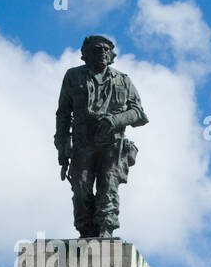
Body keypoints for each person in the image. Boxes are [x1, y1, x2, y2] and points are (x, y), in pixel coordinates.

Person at [55, 34, 149, 239]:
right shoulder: (73, 76)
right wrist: (62, 146)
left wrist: (115, 120)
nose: (103, 52)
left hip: (112, 143)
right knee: (81, 189)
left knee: (109, 185)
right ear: (85, 54)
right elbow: (63, 113)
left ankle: (106, 229)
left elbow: (139, 114)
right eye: (98, 49)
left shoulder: (123, 80)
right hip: (82, 143)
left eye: (107, 49)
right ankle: (86, 230)